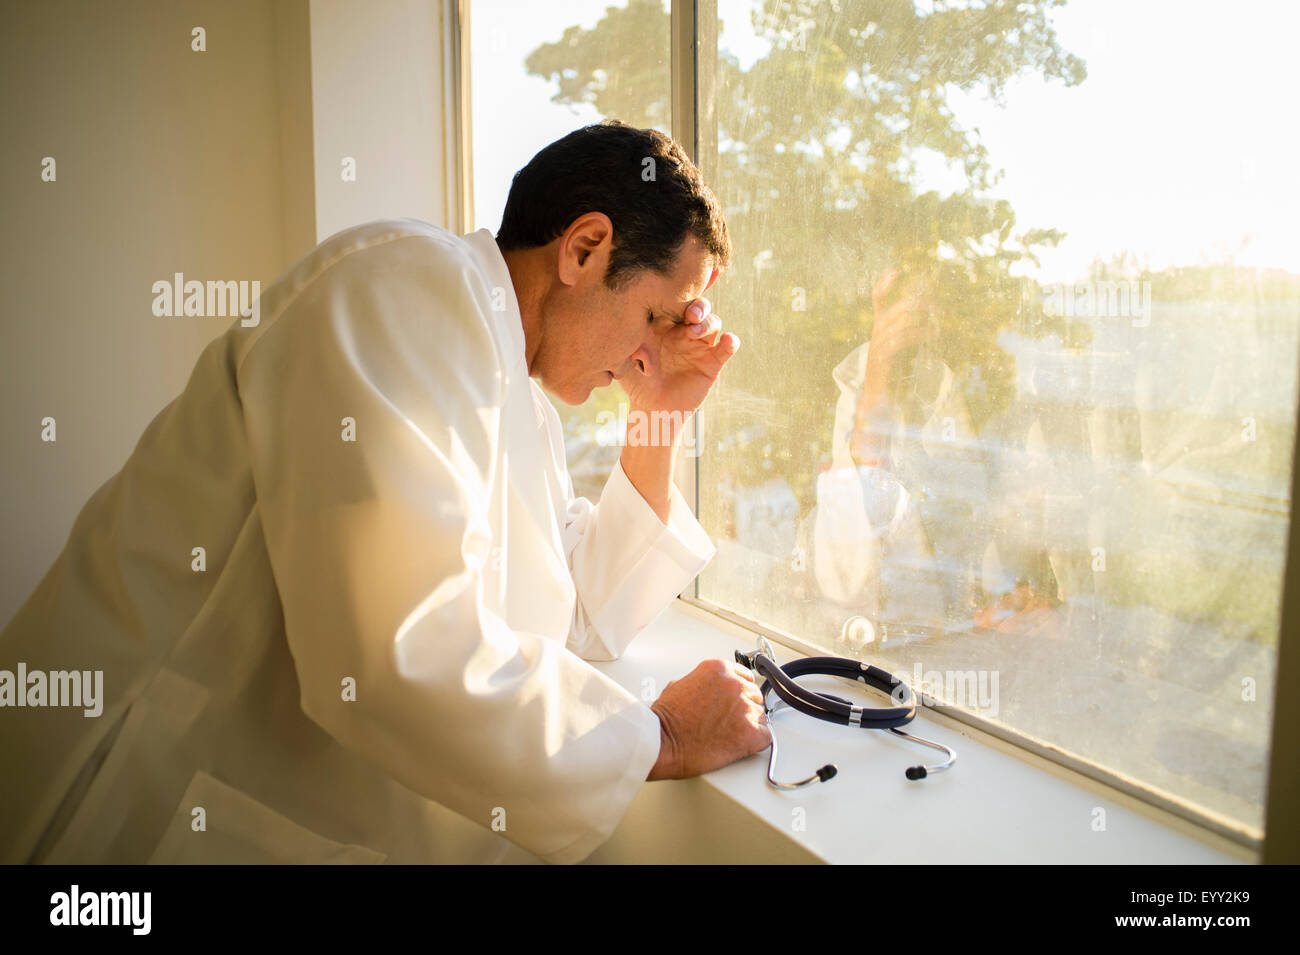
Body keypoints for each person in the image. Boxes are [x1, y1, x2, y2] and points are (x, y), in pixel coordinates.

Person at [0, 120, 772, 865]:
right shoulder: (409, 284)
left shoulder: (517, 392)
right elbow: (396, 652)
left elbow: (574, 617)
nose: (659, 347)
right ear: (584, 247)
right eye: (656, 316)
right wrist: (659, 737)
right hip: (123, 813)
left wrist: (660, 415)